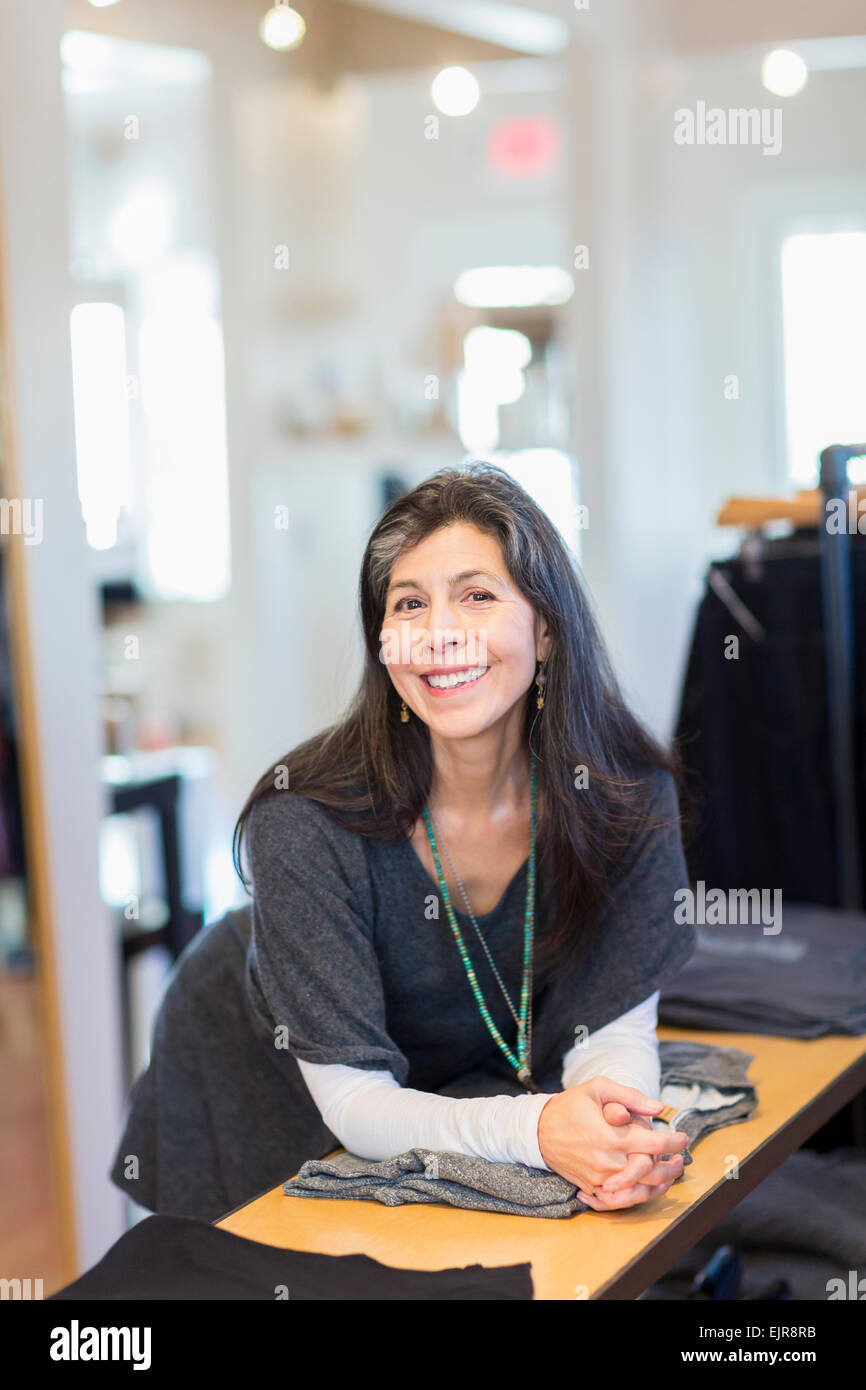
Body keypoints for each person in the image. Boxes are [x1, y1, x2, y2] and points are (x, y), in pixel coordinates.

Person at [234, 462, 693, 1210]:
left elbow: (612, 1027)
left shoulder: (626, 799)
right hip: (274, 1099)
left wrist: (616, 1133)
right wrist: (542, 1129)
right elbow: (355, 1105)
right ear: (383, 644)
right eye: (409, 604)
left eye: (477, 596)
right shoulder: (304, 819)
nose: (439, 635)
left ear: (545, 629)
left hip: (469, 1100)